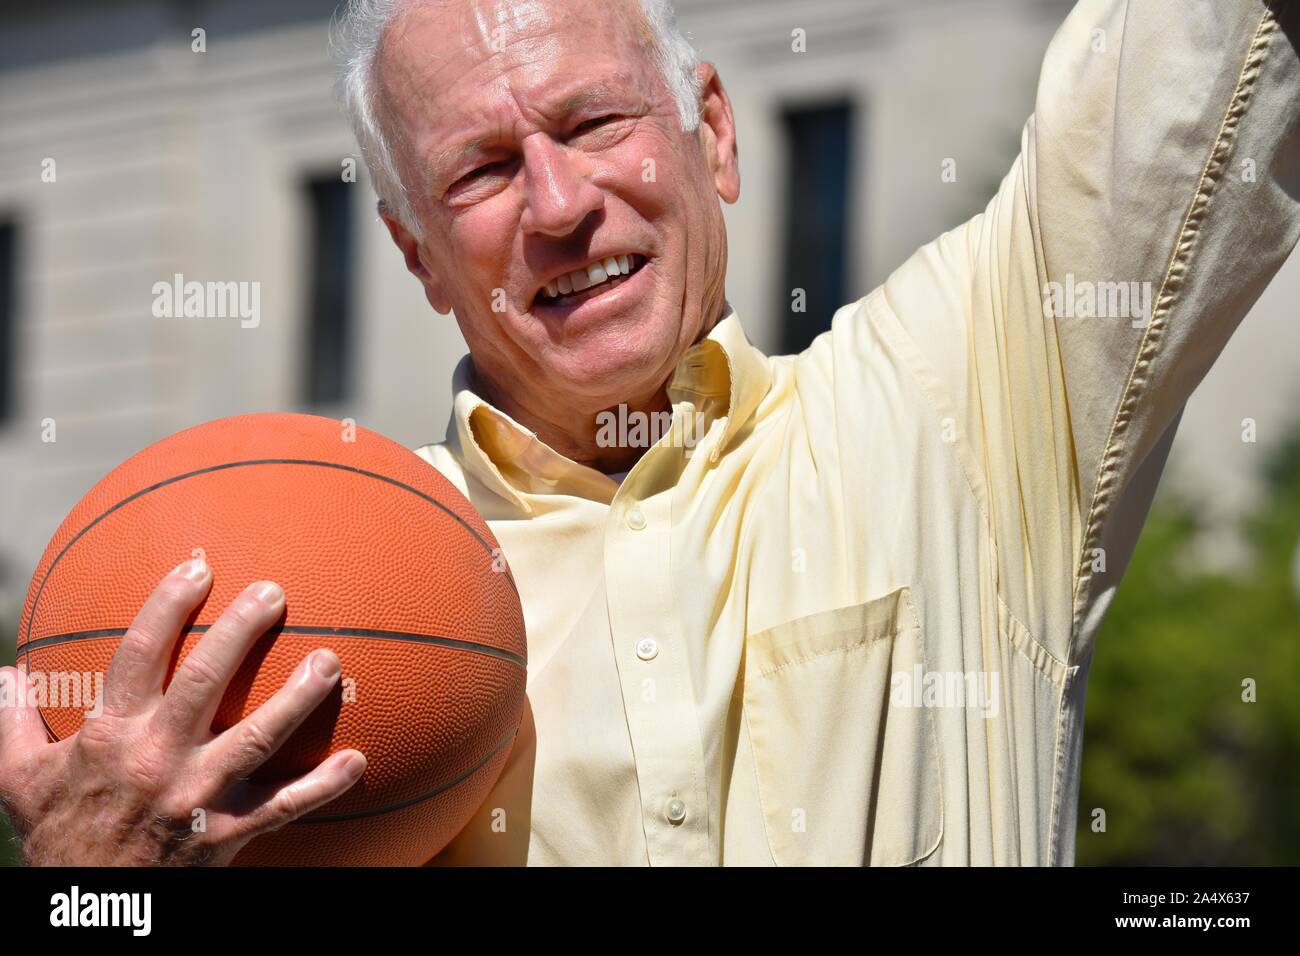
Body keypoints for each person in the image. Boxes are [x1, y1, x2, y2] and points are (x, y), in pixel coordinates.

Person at [2, 0, 1298, 865]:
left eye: (592, 123)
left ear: (715, 133)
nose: (560, 203)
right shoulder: (311, 608)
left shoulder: (969, 396)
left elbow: (1195, 53)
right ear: (415, 255)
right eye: (483, 171)